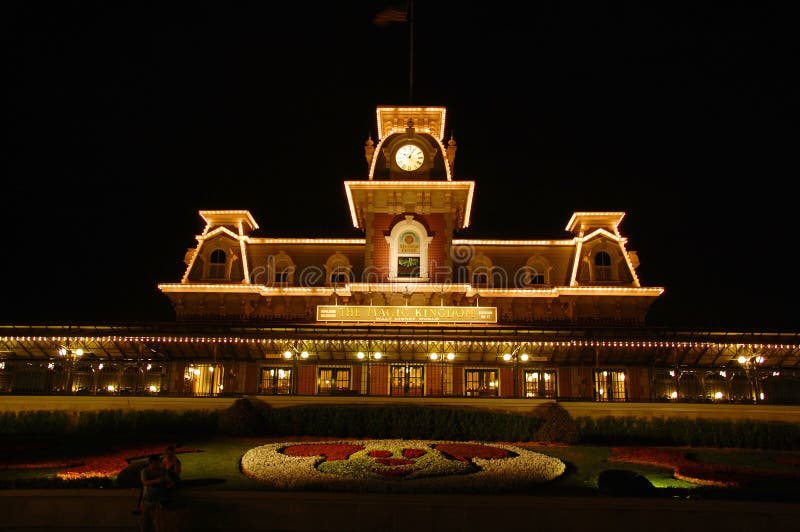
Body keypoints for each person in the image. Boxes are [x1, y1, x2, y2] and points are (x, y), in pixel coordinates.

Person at [139, 454, 166, 532]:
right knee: (145, 523)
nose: (157, 465)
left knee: (158, 523)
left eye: (158, 463)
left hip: (158, 501)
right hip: (147, 501)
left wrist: (169, 483)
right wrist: (156, 481)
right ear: (150, 463)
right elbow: (144, 482)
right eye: (155, 463)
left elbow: (167, 480)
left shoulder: (162, 470)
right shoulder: (145, 471)